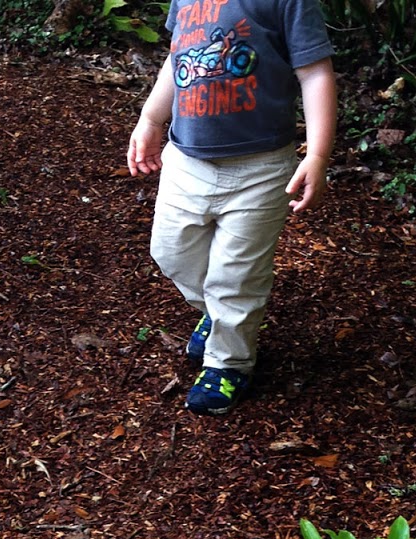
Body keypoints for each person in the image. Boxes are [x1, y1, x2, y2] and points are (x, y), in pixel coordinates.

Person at [127, 0, 336, 416]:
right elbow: (177, 58)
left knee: (236, 278)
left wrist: (317, 154)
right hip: (186, 162)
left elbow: (314, 73)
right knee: (170, 252)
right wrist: (150, 120)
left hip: (260, 169)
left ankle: (229, 362)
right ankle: (218, 316)